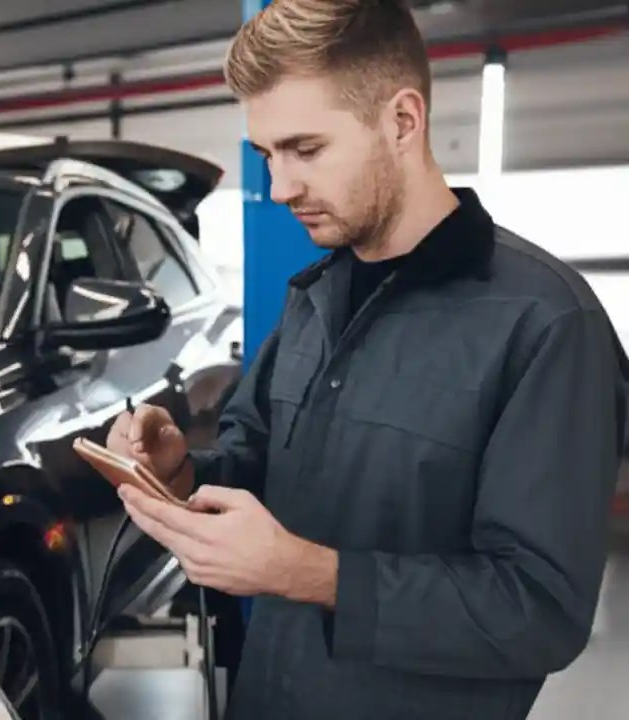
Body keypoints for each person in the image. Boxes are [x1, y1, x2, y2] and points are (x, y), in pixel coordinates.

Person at [105, 1, 628, 718]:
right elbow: (254, 463)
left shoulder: (545, 325)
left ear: (403, 121)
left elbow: (538, 612)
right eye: (266, 155)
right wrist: (182, 471)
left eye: (306, 149)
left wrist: (314, 576)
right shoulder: (315, 298)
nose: (281, 186)